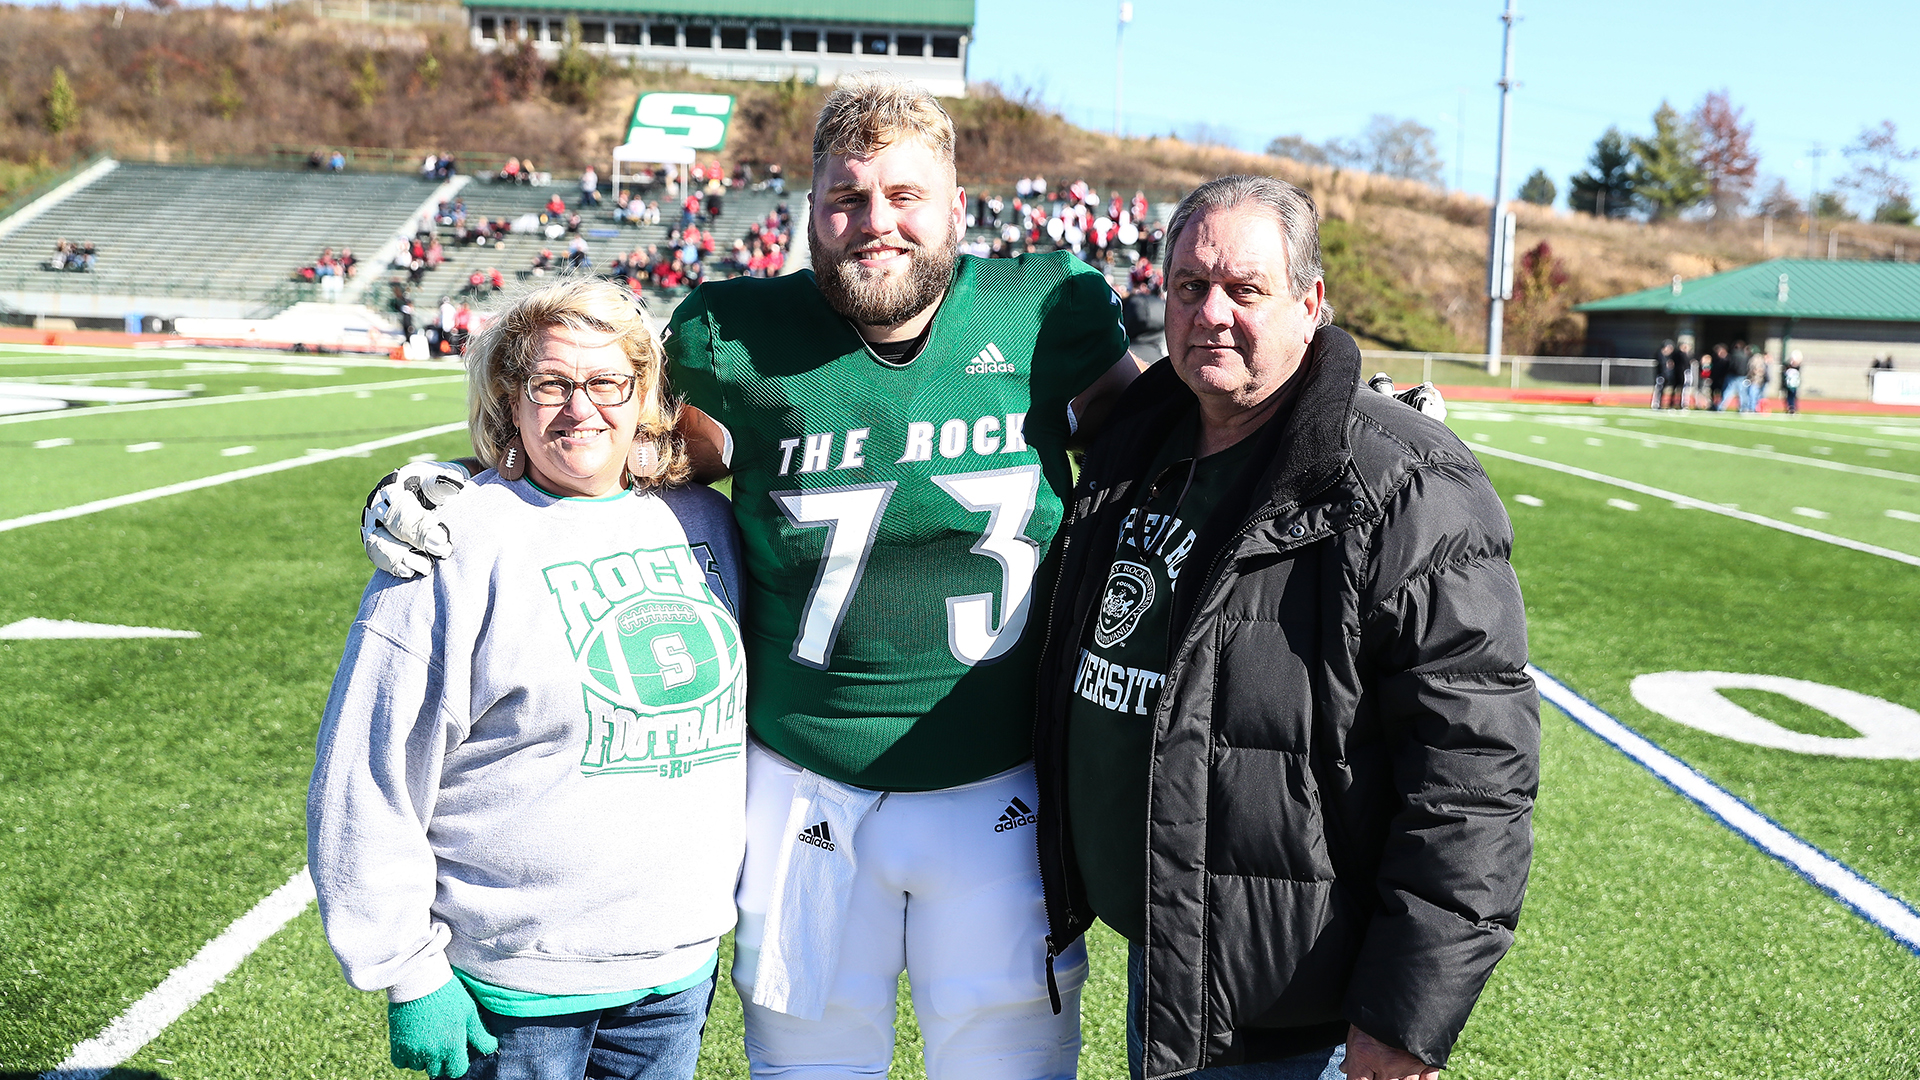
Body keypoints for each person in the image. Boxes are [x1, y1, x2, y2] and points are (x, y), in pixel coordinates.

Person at [359, 74, 1145, 1079]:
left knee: (1009, 1063)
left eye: (905, 196)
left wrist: (1337, 425)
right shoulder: (737, 338)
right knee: (805, 1064)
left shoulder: (1048, 309)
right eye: (847, 200)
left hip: (1002, 787)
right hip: (801, 788)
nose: (876, 223)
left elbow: (1171, 446)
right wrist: (456, 485)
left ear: (957, 205)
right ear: (809, 211)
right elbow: (609, 453)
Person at [1034, 175, 1538, 1080]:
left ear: (1309, 305)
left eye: (1245, 289)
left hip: (1300, 1007)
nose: (1211, 312)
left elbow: (1474, 774)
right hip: (1177, 957)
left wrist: (1407, 1013)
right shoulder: (1141, 445)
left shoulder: (1408, 484)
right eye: (1190, 286)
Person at [311, 277, 748, 1080]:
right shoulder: (450, 544)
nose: (580, 407)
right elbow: (369, 772)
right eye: (551, 384)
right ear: (511, 400)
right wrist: (408, 973)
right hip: (513, 991)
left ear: (644, 391)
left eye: (606, 381)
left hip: (675, 979)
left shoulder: (705, 522)